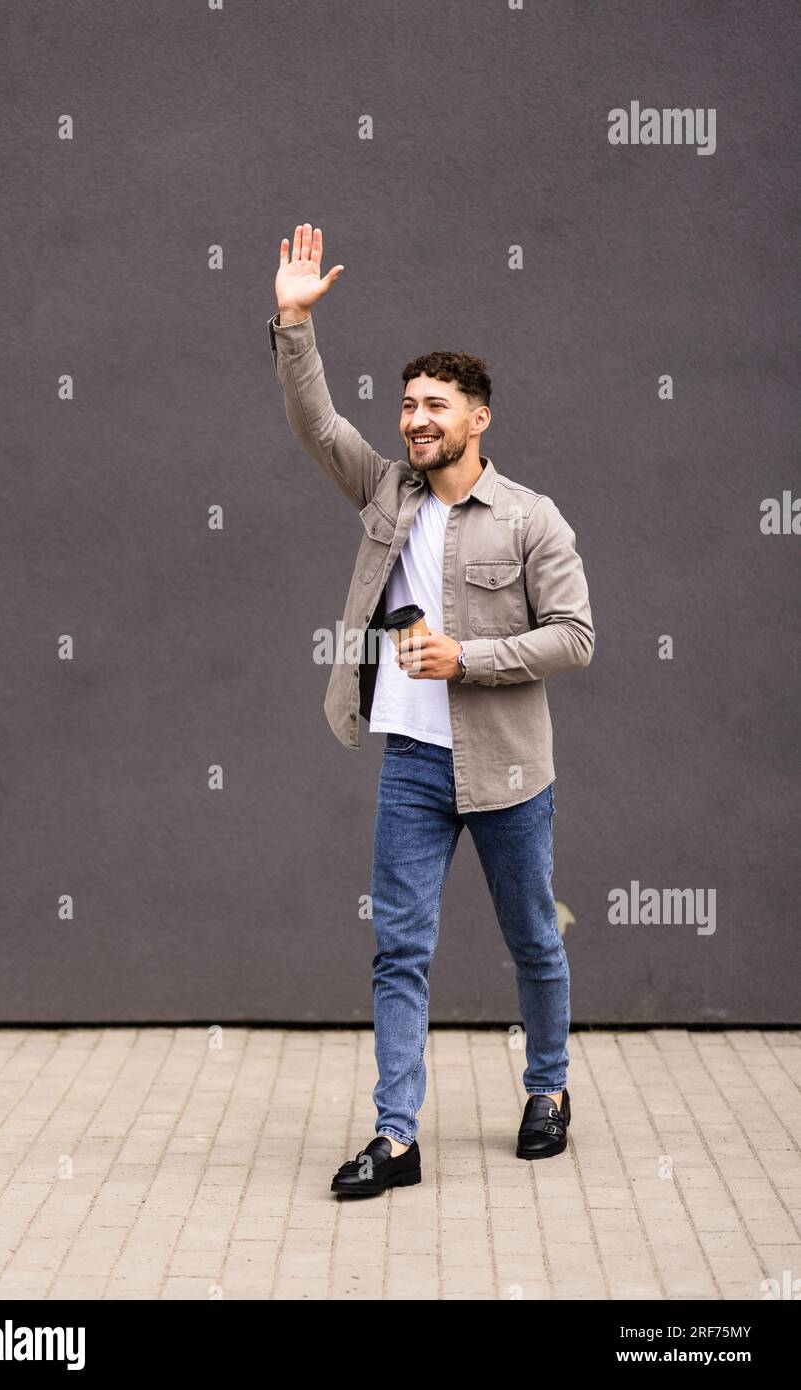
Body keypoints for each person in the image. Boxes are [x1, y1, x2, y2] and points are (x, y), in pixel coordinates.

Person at [268, 224, 595, 1198]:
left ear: (478, 418)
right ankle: (397, 1135)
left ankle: (547, 1090)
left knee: (534, 936)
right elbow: (317, 423)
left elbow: (576, 635)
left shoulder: (534, 518)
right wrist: (292, 322)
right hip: (410, 758)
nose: (414, 420)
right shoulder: (387, 493)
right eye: (408, 404)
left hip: (504, 765)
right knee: (399, 947)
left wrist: (470, 658)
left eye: (434, 406)